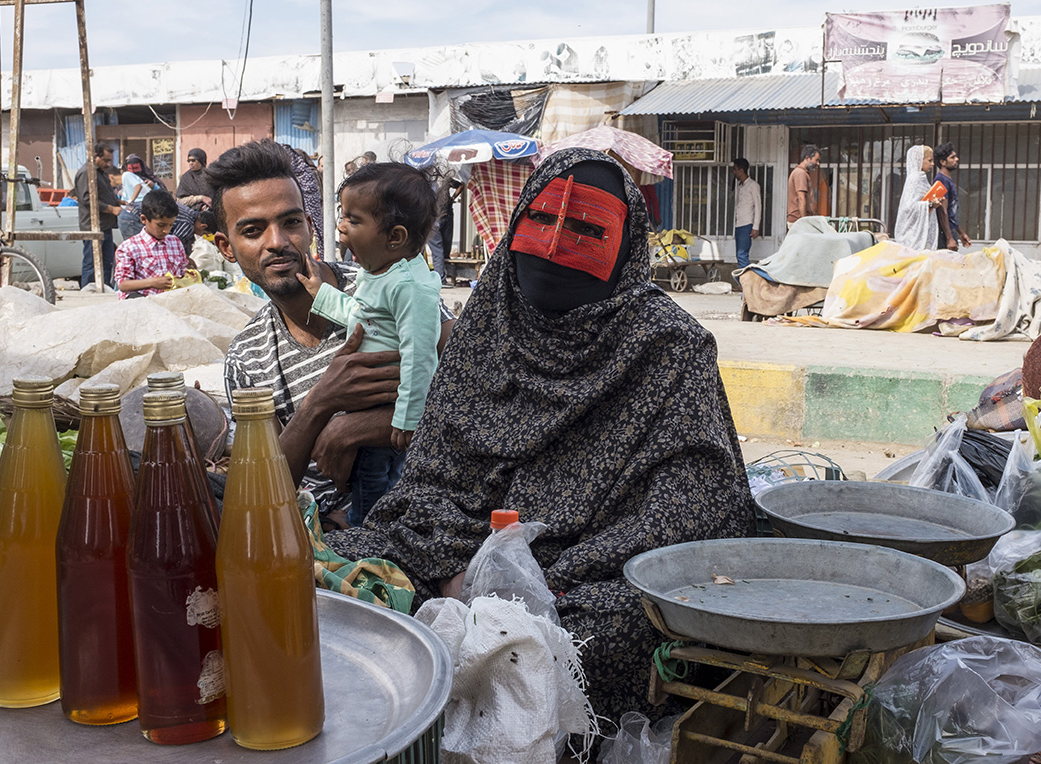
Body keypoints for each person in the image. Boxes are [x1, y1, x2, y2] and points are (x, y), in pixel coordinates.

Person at [326, 148, 756, 725]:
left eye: (585, 229)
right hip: (453, 547)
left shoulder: (669, 348)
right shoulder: (488, 319)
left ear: (624, 244)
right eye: (543, 221)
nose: (555, 245)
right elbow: (433, 473)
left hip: (585, 579)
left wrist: (531, 585)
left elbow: (692, 513)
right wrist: (463, 566)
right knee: (337, 586)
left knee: (593, 637)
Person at [212, 139, 455, 530]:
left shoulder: (389, 285)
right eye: (253, 230)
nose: (277, 242)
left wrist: (352, 428)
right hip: (320, 530)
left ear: (310, 227)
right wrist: (319, 405)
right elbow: (262, 488)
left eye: (290, 222)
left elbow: (474, 392)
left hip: (417, 511)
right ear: (226, 246)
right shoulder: (248, 358)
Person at [295, 162, 442, 527]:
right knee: (370, 473)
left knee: (374, 476)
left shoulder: (409, 287)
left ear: (395, 237)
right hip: (371, 404)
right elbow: (363, 318)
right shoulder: (380, 273)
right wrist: (322, 294)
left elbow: (420, 355)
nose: (340, 227)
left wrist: (408, 419)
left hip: (389, 409)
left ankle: (367, 525)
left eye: (353, 220)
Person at [113, 189, 191, 299]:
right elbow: (123, 284)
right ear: (144, 219)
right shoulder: (129, 248)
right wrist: (152, 282)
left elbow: (182, 270)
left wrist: (190, 274)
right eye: (161, 225)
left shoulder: (175, 242)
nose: (166, 231)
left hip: (172, 299)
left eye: (170, 225)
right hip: (143, 303)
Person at [73, 142, 123, 288]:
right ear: (95, 157)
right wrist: (111, 209)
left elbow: (103, 195)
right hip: (92, 226)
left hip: (105, 225)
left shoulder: (100, 174)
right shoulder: (86, 173)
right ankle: (88, 291)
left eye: (109, 161)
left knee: (107, 261)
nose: (108, 164)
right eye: (105, 160)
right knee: (91, 262)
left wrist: (118, 202)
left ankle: (104, 288)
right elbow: (87, 199)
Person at [894, 145, 940, 252]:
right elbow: (908, 207)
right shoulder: (915, 179)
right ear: (919, 160)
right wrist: (929, 204)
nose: (932, 164)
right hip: (913, 237)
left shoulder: (921, 178)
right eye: (929, 160)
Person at [933, 142, 973, 252]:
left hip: (949, 232)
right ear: (943, 162)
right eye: (952, 157)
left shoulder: (947, 180)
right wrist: (949, 238)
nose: (957, 159)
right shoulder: (941, 180)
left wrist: (961, 232)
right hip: (943, 235)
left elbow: (951, 213)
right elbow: (942, 210)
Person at [427, 177, 465, 288]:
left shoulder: (445, 179)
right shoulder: (426, 181)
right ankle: (441, 280)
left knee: (446, 248)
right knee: (438, 250)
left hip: (446, 216)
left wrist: (453, 198)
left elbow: (461, 185)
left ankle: (445, 275)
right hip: (433, 219)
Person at [119, 155, 164, 241]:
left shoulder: (150, 178)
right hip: (131, 213)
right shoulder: (126, 177)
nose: (133, 171)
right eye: (130, 168)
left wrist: (154, 186)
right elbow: (120, 197)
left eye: (136, 168)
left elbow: (162, 194)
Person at [731, 157, 763, 271]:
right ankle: (743, 283)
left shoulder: (753, 185)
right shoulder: (740, 186)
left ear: (741, 170)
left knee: (742, 255)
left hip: (747, 224)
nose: (734, 172)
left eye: (735, 169)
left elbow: (758, 207)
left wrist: (756, 227)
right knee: (739, 256)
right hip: (739, 224)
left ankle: (746, 284)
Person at [787, 144, 820, 229]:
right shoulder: (800, 173)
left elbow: (810, 200)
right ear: (807, 158)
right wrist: (803, 222)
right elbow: (801, 198)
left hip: (802, 220)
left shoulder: (804, 173)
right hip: (798, 221)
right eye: (816, 160)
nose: (818, 163)